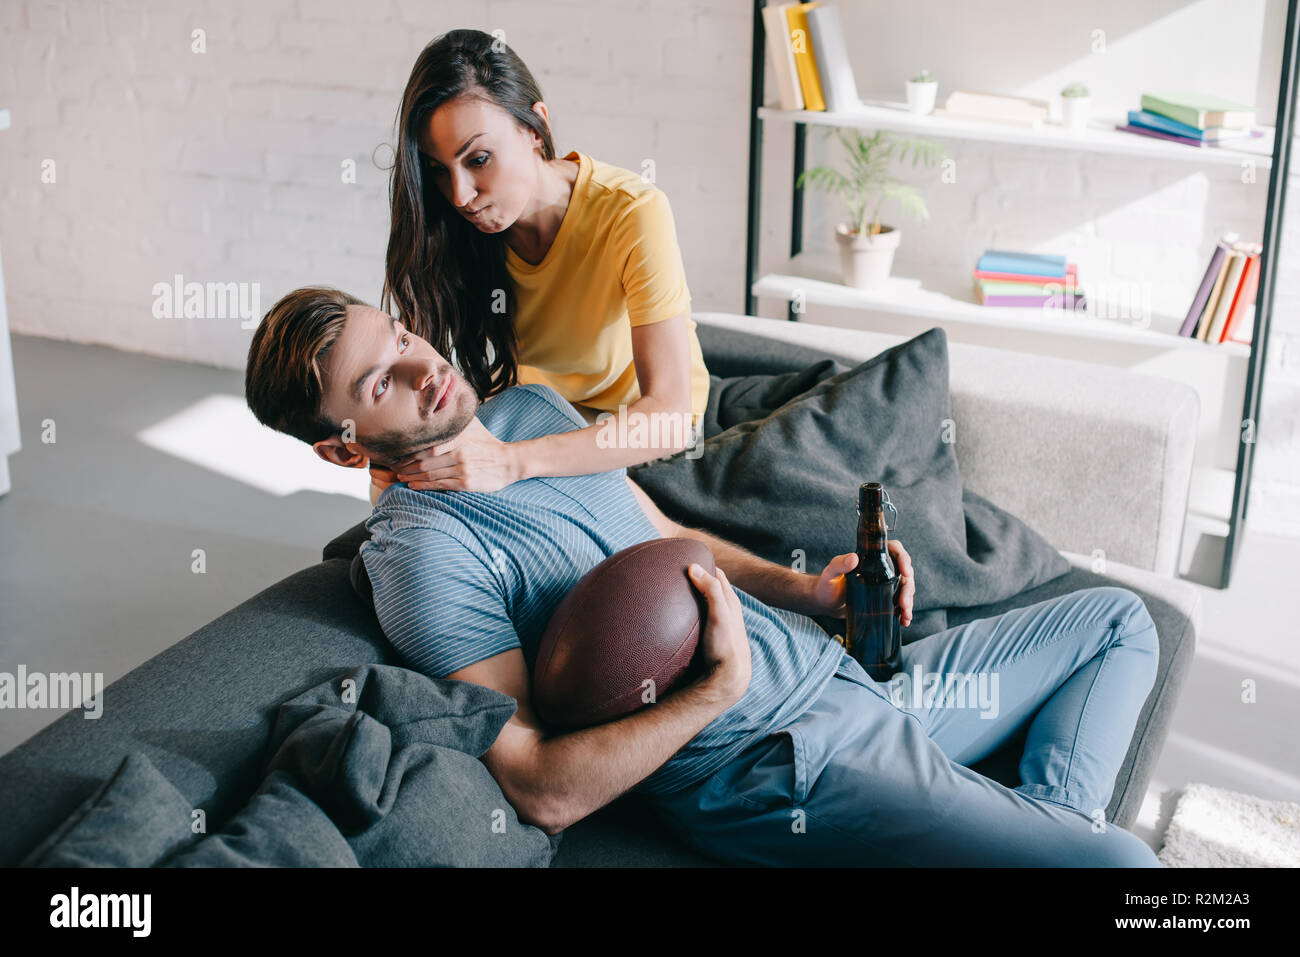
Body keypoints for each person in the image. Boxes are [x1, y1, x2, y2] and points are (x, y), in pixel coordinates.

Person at [243, 287, 1163, 867]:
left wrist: (813, 592)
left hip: (845, 682)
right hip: (779, 764)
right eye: (379, 383)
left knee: (1119, 623)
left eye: (400, 331)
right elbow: (538, 785)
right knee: (1122, 869)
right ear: (341, 447)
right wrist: (713, 690)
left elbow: (673, 536)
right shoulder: (420, 557)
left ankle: (1036, 833)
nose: (423, 363)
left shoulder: (529, 411)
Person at [370, 29, 711, 504]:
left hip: (634, 428)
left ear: (535, 127)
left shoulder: (632, 211)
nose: (460, 195)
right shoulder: (450, 228)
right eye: (438, 169)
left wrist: (512, 461)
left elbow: (669, 417)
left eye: (479, 159)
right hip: (537, 412)